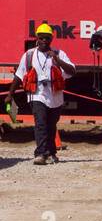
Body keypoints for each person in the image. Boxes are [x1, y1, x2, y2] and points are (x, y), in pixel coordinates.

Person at [9, 23, 76, 165]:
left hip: (55, 96)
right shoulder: (29, 55)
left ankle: (51, 152)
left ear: (51, 39)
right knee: (40, 123)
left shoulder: (59, 54)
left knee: (51, 125)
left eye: (47, 38)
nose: (44, 40)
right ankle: (40, 153)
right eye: (42, 38)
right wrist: (10, 94)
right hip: (37, 94)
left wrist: (57, 61)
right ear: (37, 39)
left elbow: (72, 71)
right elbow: (19, 75)